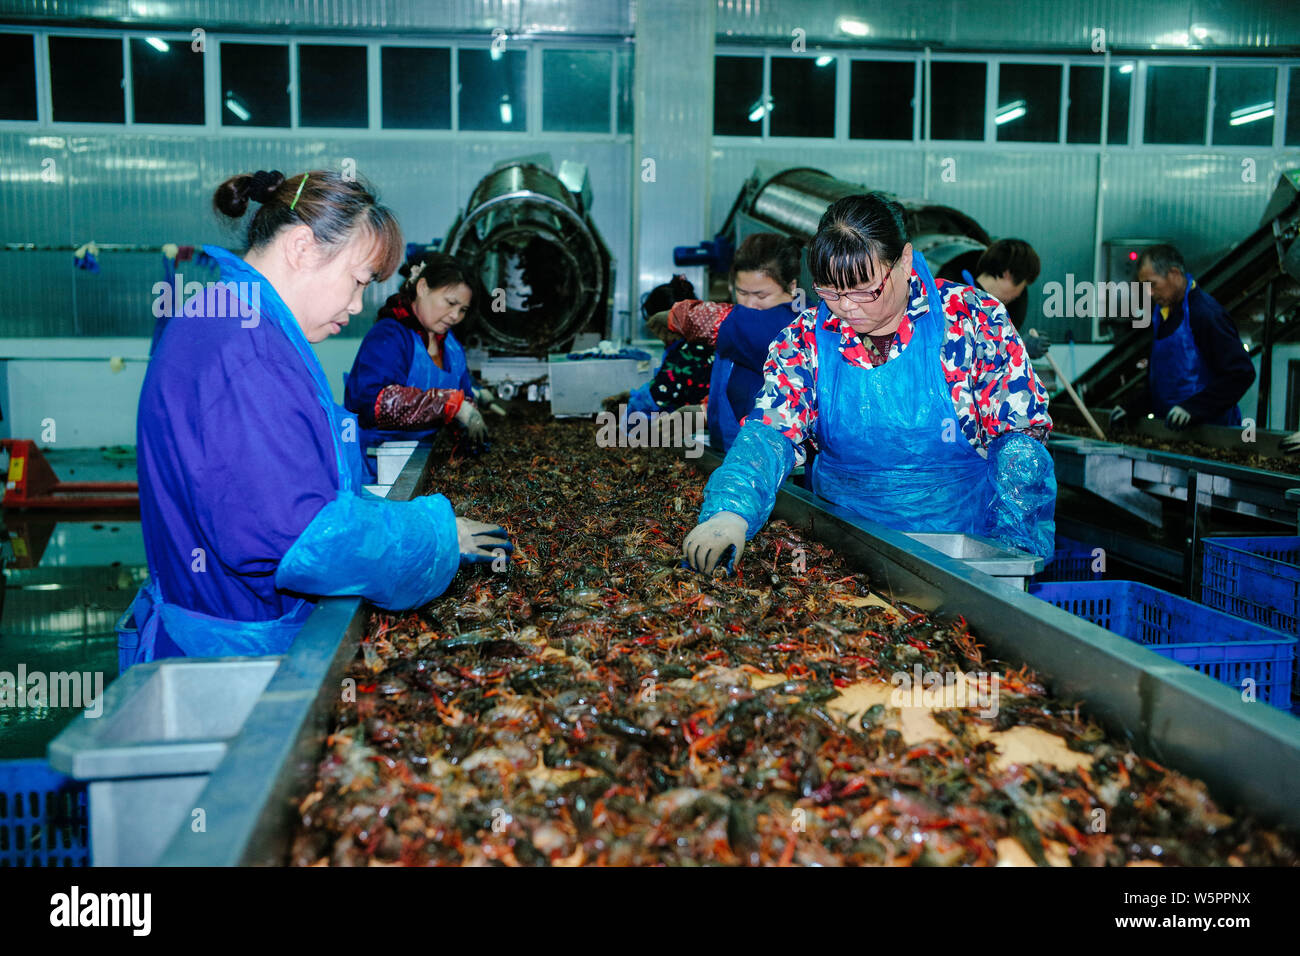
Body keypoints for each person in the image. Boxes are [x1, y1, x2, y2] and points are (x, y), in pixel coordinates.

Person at [127, 169, 509, 667]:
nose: (355, 305)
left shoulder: (229, 318)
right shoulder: (248, 351)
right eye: (357, 281)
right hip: (235, 655)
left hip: (222, 626)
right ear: (302, 247)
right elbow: (303, 536)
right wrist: (433, 535)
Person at [682, 192, 1056, 574]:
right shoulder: (806, 339)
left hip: (962, 555)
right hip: (846, 555)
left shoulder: (972, 321)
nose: (846, 306)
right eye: (830, 291)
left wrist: (1009, 552)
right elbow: (770, 432)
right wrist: (731, 511)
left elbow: (1019, 441)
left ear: (904, 262)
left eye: (864, 289)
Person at [344, 251, 489, 481]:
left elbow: (464, 395)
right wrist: (447, 405)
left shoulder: (451, 346)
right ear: (422, 288)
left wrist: (469, 416)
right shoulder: (390, 336)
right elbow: (371, 402)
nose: (455, 316)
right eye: (450, 303)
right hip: (380, 467)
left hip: (429, 459)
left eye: (463, 309)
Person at [652, 233, 804, 451]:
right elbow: (739, 386)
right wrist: (703, 413)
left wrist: (681, 315)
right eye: (742, 293)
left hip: (765, 460)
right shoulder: (739, 331)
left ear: (792, 288)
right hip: (729, 450)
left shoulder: (791, 328)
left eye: (761, 296)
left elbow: (735, 324)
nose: (750, 305)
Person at [1135, 244, 1255, 430]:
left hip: (1211, 434)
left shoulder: (1205, 314)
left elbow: (1241, 373)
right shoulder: (1161, 315)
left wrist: (1194, 408)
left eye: (1152, 284)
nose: (1149, 293)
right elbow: (1162, 378)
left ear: (1174, 274)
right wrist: (1133, 406)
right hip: (1169, 433)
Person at [956, 238, 1049, 359]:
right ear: (1008, 274)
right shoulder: (961, 301)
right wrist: (1020, 347)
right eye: (1023, 285)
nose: (1018, 295)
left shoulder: (981, 304)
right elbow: (965, 355)